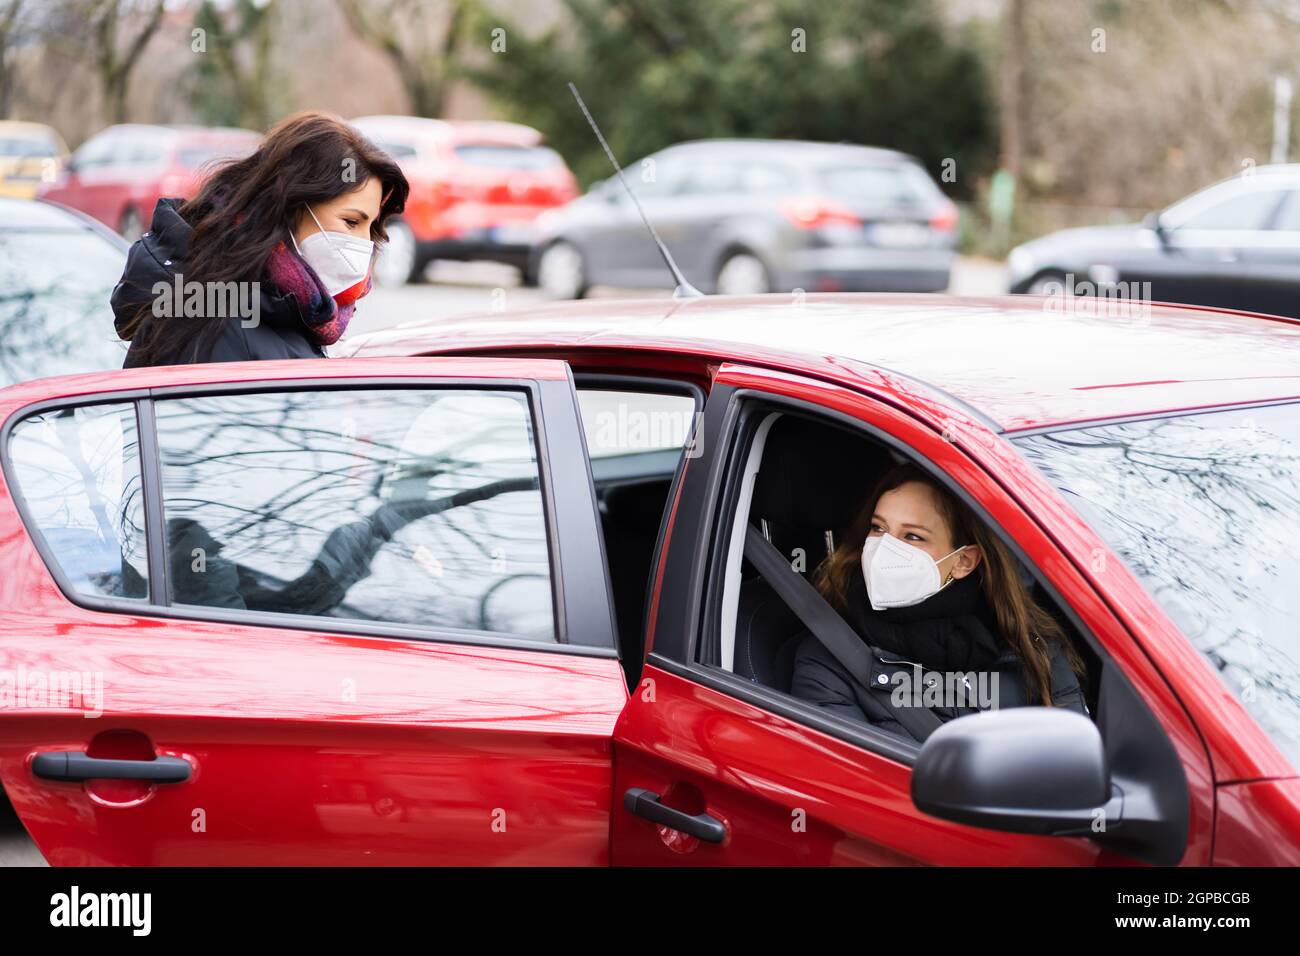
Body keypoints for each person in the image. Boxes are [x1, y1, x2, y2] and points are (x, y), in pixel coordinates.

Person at [790, 462, 1088, 742]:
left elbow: (1076, 761)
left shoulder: (1027, 641)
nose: (885, 549)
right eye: (879, 528)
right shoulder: (831, 656)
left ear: (963, 561)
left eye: (913, 536)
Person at [110, 110, 409, 367]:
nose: (363, 243)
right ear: (288, 208)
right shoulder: (211, 320)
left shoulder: (288, 310)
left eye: (371, 228)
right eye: (351, 221)